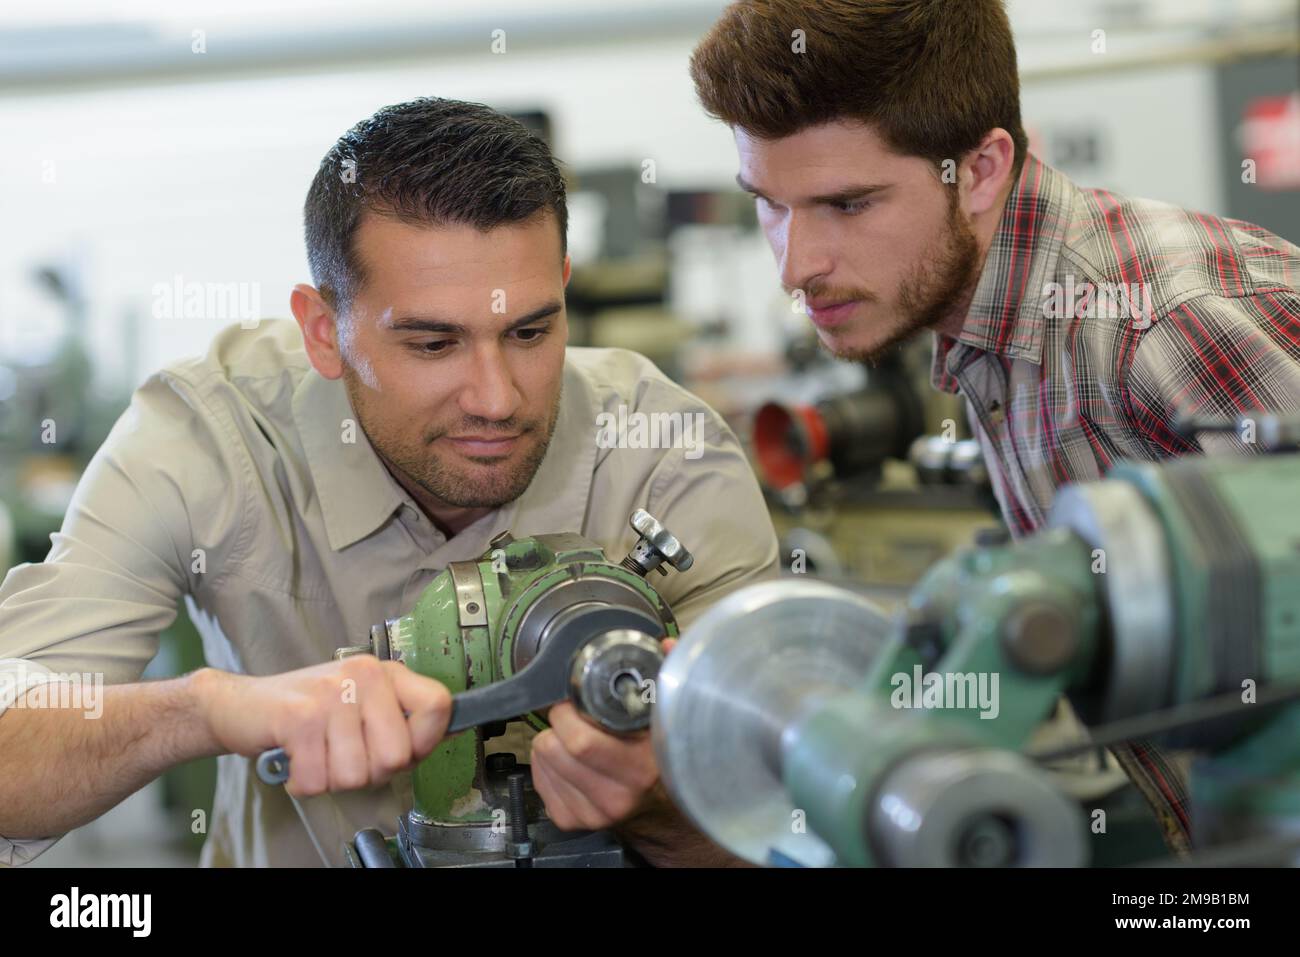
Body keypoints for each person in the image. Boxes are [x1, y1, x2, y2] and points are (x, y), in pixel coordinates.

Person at [0, 97, 779, 867]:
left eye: (530, 331)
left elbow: (785, 821)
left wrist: (660, 809)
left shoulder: (663, 453)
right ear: (322, 330)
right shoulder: (209, 439)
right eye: (434, 342)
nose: (497, 397)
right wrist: (209, 708)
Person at [689, 0, 1300, 853]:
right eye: (770, 204)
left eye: (848, 204)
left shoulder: (1156, 325)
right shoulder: (994, 327)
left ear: (979, 170)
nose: (796, 266)